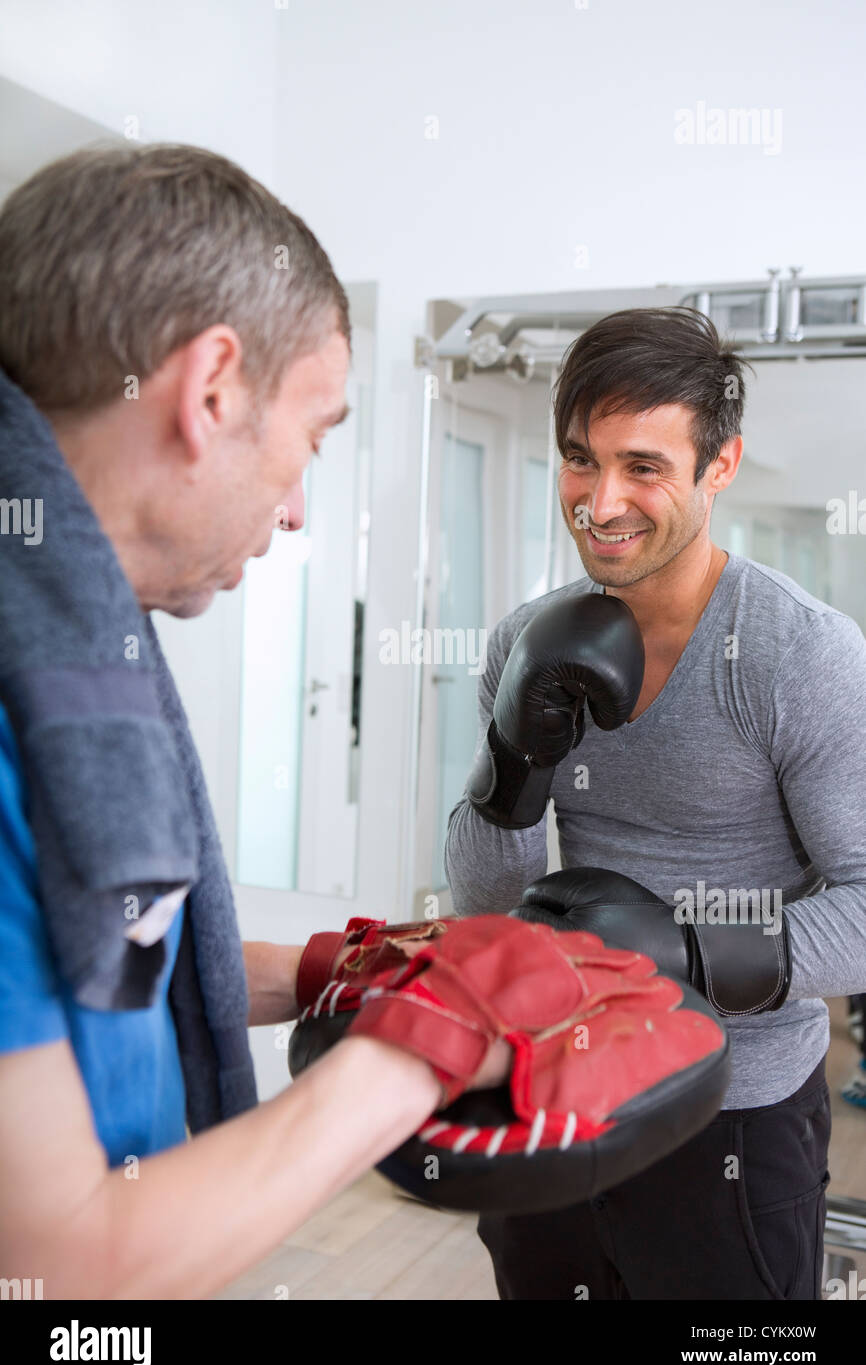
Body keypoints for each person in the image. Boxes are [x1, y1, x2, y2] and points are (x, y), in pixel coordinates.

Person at [0, 142, 514, 1299]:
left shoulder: (62, 634)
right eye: (314, 436)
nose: (292, 513)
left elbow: (82, 964)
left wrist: (337, 973)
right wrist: (419, 1052)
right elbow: (51, 1268)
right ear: (213, 388)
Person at [446, 306, 866, 1300]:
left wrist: (681, 949)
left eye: (642, 465)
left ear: (717, 468)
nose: (599, 500)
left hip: (728, 1114)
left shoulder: (798, 656)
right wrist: (514, 760)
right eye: (578, 461)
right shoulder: (523, 640)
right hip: (553, 1090)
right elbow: (486, 903)